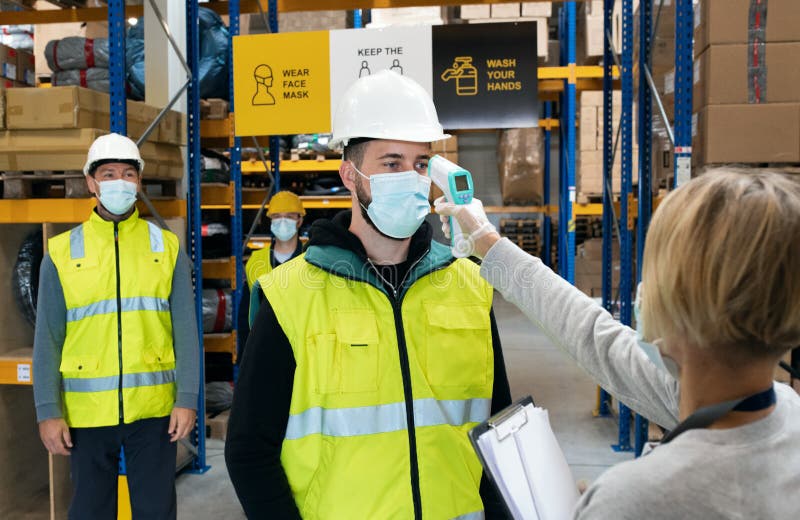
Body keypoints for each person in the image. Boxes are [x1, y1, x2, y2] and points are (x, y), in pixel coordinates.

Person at [225, 69, 512, 519]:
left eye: (420, 164)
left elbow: (498, 433)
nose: (410, 177)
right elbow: (248, 450)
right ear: (348, 174)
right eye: (391, 163)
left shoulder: (469, 284)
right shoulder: (289, 296)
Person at [436, 169, 800, 519]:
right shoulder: (787, 412)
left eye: (653, 272)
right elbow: (596, 338)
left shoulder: (637, 499)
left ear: (682, 305)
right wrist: (490, 245)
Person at [33, 133, 200, 519]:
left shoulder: (167, 248)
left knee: (156, 510)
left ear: (139, 182)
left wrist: (186, 399)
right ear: (91, 183)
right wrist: (48, 411)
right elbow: (48, 338)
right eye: (108, 174)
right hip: (87, 414)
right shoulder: (61, 252)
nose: (119, 182)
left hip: (154, 412)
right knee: (91, 510)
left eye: (128, 174)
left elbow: (186, 333)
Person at [238, 191, 305, 348]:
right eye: (277, 216)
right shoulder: (256, 261)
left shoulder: (311, 258)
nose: (282, 221)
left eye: (289, 216)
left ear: (299, 220)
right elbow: (246, 316)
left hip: (302, 347)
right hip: (265, 346)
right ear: (270, 220)